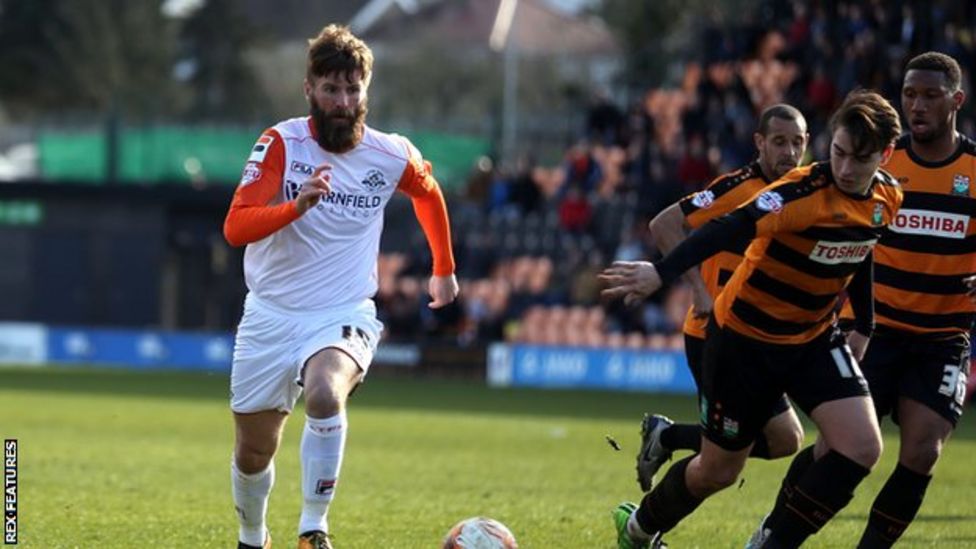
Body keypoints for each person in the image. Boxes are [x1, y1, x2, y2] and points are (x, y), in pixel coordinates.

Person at [600, 90, 903, 549]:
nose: (844, 169)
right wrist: (662, 273)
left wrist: (866, 323)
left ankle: (771, 542)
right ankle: (639, 527)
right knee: (719, 471)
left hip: (813, 338)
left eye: (859, 160)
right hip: (743, 342)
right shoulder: (799, 193)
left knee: (862, 446)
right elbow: (728, 227)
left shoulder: (888, 195)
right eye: (838, 153)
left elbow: (861, 248)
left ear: (886, 155)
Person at [222, 25, 458, 549]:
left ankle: (313, 529)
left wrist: (444, 265)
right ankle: (251, 536)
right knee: (253, 453)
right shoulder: (281, 143)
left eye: (353, 90)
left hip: (342, 311)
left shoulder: (390, 152)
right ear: (309, 88)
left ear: (365, 91)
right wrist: (294, 207)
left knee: (327, 394)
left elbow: (428, 192)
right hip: (270, 315)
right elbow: (236, 227)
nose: (343, 101)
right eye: (331, 89)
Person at [761, 51, 973, 549]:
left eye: (930, 95)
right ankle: (772, 536)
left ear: (957, 101)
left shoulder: (975, 170)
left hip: (943, 338)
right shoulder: (878, 158)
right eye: (909, 95)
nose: (917, 105)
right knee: (838, 449)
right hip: (870, 330)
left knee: (922, 451)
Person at [636, 104, 809, 493]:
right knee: (720, 465)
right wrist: (699, 290)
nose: (789, 152)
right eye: (779, 142)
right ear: (759, 143)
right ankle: (646, 523)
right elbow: (664, 224)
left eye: (797, 142)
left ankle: (666, 438)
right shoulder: (737, 188)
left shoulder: (804, 189)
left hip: (759, 335)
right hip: (713, 335)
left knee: (785, 440)